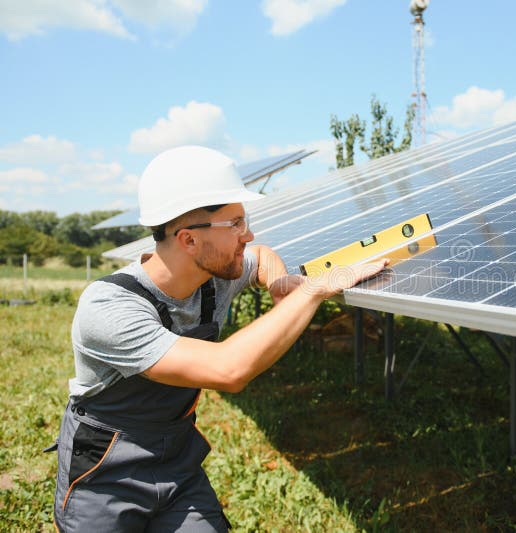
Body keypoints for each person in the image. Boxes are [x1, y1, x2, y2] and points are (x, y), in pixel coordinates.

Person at [50, 145, 388, 532]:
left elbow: (259, 255)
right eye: (236, 224)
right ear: (189, 240)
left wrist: (277, 282)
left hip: (177, 463)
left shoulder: (214, 276)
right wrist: (314, 291)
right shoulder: (109, 307)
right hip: (105, 473)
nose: (249, 234)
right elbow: (229, 370)